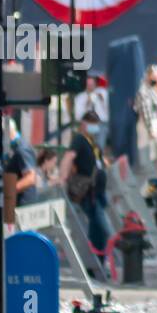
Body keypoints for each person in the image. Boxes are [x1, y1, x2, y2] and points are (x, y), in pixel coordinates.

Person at [59, 110, 111, 261]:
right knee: (101, 230)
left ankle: (98, 264)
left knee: (97, 230)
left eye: (97, 125)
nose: (95, 128)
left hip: (99, 193)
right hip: (89, 193)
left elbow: (100, 162)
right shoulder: (79, 139)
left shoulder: (92, 141)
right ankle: (96, 264)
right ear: (84, 124)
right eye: (92, 124)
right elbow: (69, 157)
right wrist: (62, 177)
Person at [3, 117, 39, 208]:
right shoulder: (13, 147)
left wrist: (8, 192)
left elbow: (30, 178)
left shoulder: (22, 148)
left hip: (23, 205)